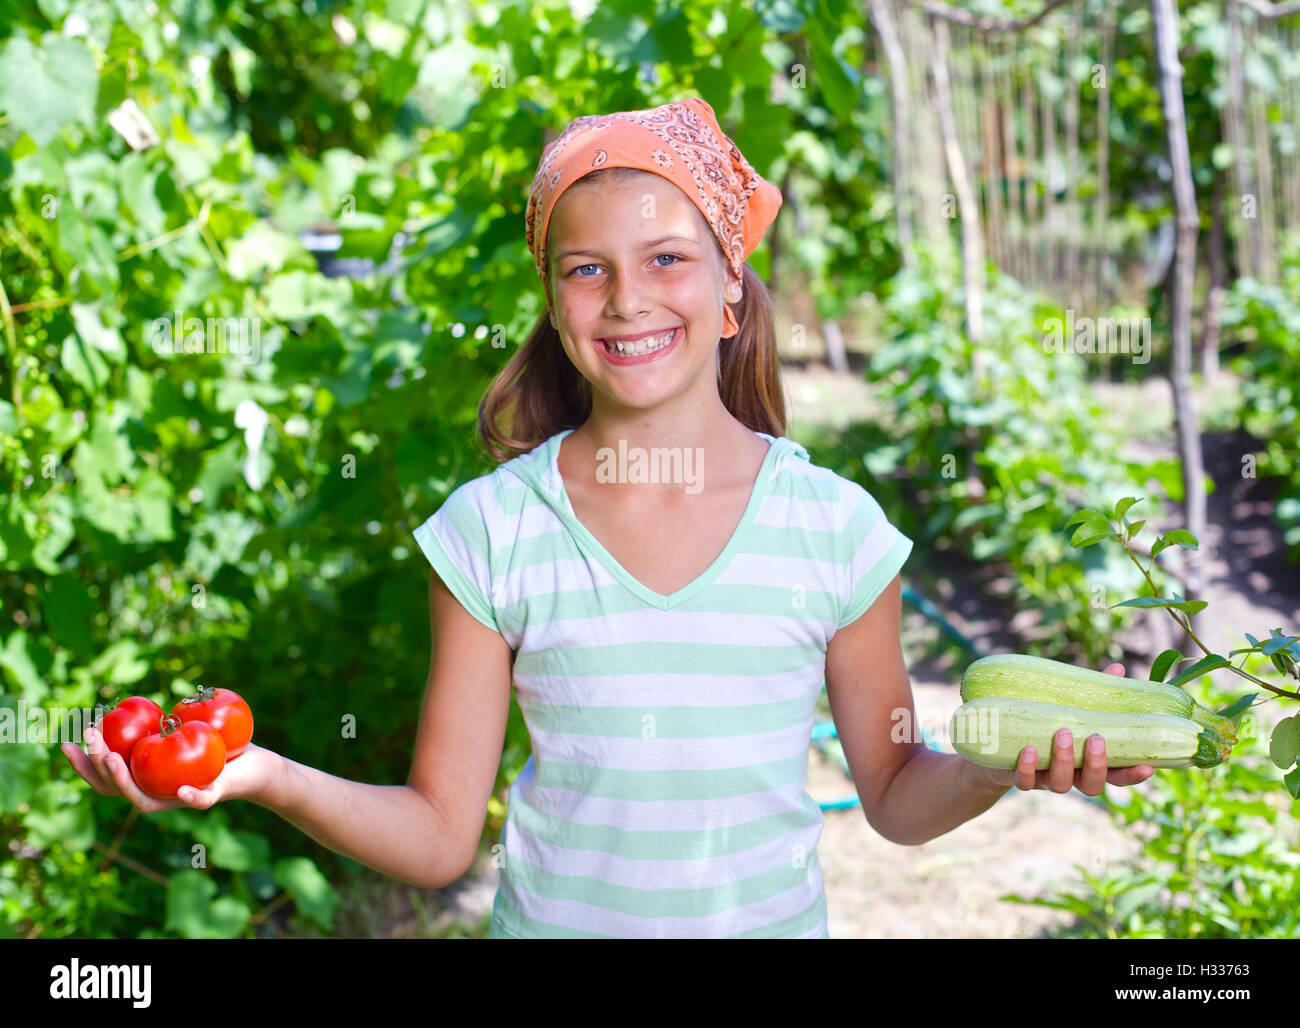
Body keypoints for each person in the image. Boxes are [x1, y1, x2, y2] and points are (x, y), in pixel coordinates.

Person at [62, 96, 1154, 939]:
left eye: (667, 259)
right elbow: (443, 834)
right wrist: (256, 772)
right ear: (553, 302)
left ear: (730, 291)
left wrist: (997, 761)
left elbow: (896, 797)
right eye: (587, 270)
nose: (627, 299)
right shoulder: (491, 531)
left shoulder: (835, 528)